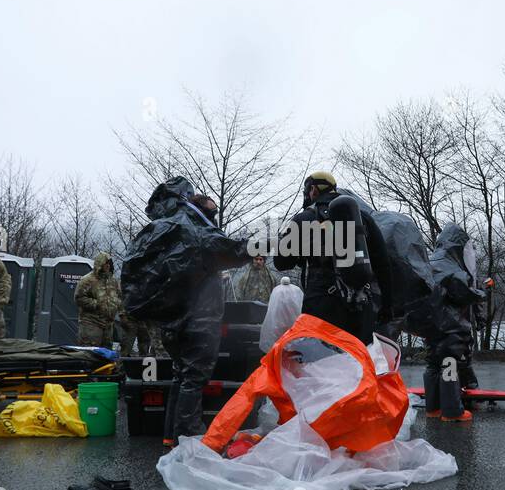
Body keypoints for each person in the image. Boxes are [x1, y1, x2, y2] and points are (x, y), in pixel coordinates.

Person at [120, 178, 249, 445]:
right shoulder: (197, 229)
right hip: (198, 321)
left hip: (171, 321)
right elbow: (235, 250)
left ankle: (171, 437)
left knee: (181, 376)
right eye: (211, 211)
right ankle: (188, 440)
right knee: (193, 379)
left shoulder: (165, 229)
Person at [273, 171, 391, 344]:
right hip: (361, 304)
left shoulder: (304, 218)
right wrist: (387, 306)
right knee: (359, 362)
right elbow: (383, 264)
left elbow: (281, 263)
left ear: (313, 190)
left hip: (321, 305)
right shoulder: (363, 218)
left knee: (320, 364)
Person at [421, 224, 488, 422]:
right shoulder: (453, 268)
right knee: (449, 364)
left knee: (433, 365)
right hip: (451, 326)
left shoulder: (429, 262)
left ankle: (432, 408)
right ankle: (452, 411)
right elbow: (464, 294)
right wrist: (483, 292)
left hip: (431, 325)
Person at [74, 251, 121, 347]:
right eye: (105, 263)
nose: (108, 266)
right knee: (90, 353)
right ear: (100, 264)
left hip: (108, 325)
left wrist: (116, 306)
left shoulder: (113, 281)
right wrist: (97, 304)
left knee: (106, 355)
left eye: (109, 263)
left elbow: (119, 296)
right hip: (91, 323)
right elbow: (79, 298)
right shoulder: (87, 280)